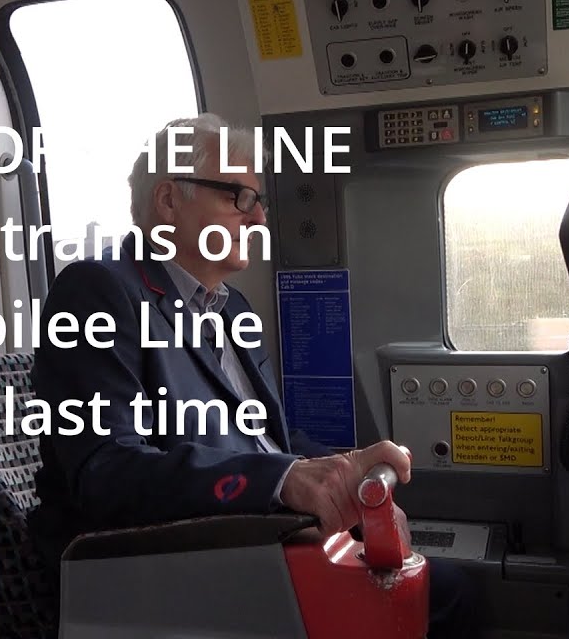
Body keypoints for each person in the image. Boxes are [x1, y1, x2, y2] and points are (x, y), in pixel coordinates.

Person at [26, 114, 477, 637]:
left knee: (444, 588)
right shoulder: (97, 293)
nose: (259, 219)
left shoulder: (233, 309)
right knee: (440, 598)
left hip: (259, 544)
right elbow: (108, 471)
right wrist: (284, 481)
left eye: (259, 202)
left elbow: (269, 441)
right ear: (169, 200)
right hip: (163, 571)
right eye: (240, 198)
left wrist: (344, 476)